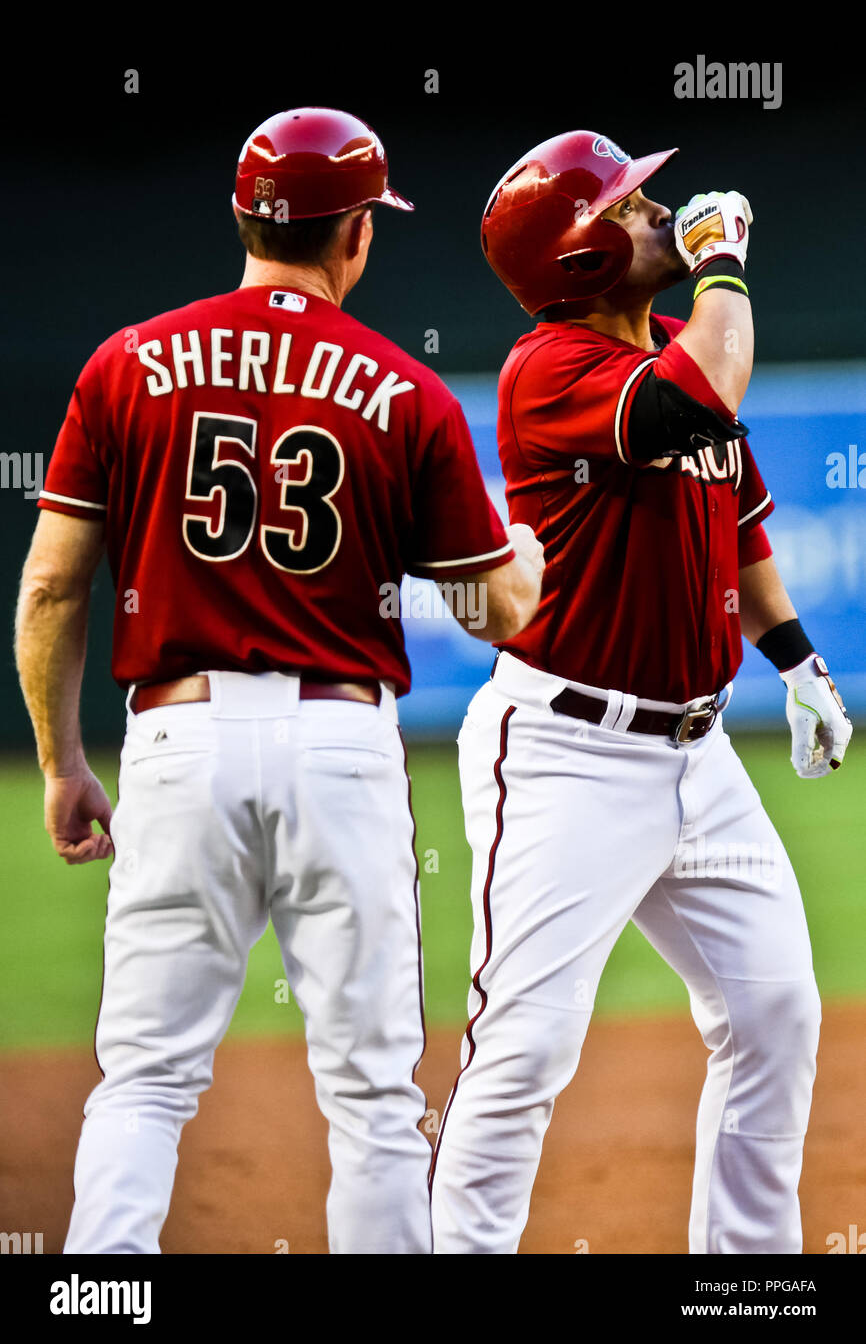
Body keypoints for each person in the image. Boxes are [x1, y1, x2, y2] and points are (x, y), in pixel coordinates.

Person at [14, 107, 543, 1256]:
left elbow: (54, 589)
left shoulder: (126, 363)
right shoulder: (403, 391)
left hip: (176, 741)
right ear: (353, 233)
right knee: (370, 1097)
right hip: (339, 748)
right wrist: (527, 553)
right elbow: (497, 609)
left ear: (245, 217)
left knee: (144, 1080)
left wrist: (62, 763)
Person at [428, 130, 852, 1254]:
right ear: (577, 262)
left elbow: (741, 514)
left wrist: (796, 659)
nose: (655, 208)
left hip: (697, 755)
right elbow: (703, 388)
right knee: (521, 1049)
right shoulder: (550, 369)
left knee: (771, 1013)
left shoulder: (668, 342)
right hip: (568, 751)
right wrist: (722, 264)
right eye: (623, 204)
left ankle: (744, 1275)